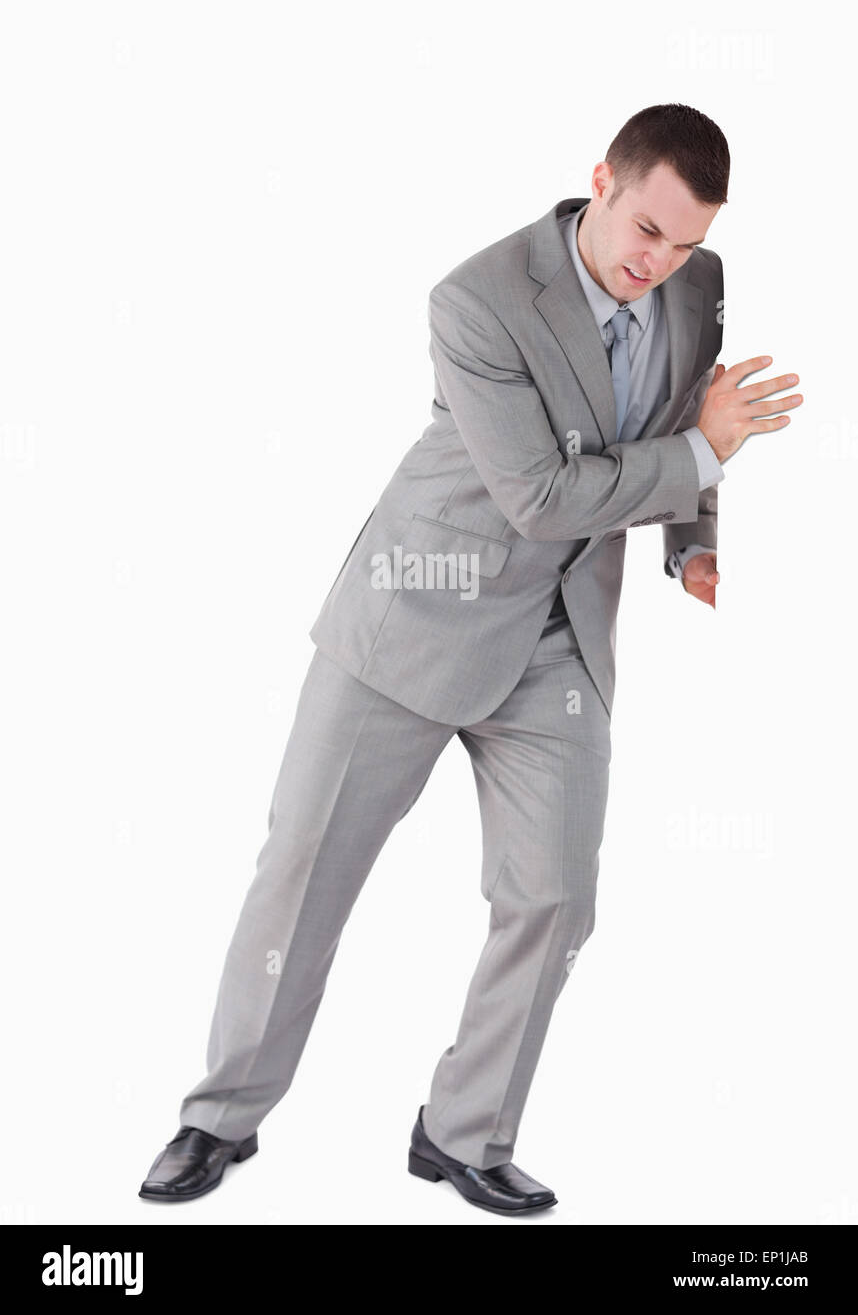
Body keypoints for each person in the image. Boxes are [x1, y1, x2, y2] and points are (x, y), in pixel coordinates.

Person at [139, 103, 801, 1216]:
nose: (659, 264)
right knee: (302, 879)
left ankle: (462, 1131)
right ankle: (220, 1115)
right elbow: (546, 493)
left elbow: (697, 409)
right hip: (416, 611)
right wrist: (699, 454)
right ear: (599, 179)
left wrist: (692, 541)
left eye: (683, 244)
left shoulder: (696, 281)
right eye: (645, 230)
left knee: (552, 896)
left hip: (557, 634)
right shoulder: (476, 299)